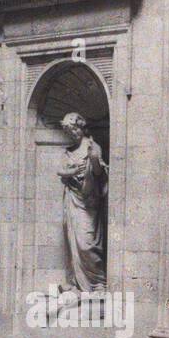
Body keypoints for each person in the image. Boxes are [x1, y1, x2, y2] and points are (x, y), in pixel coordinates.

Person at [57, 113, 107, 293]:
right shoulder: (69, 152)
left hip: (89, 201)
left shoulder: (93, 147)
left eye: (75, 129)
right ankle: (76, 283)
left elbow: (99, 173)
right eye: (70, 131)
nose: (73, 133)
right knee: (73, 241)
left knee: (87, 243)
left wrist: (93, 159)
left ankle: (97, 282)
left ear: (82, 127)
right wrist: (70, 173)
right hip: (73, 199)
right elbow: (60, 171)